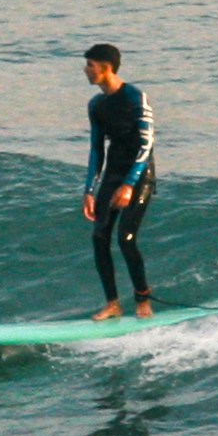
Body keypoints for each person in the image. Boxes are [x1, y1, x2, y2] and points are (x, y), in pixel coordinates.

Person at [79, 42, 157, 320]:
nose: (85, 70)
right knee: (99, 237)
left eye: (90, 64)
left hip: (139, 174)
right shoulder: (96, 105)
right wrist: (89, 190)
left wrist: (129, 185)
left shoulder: (136, 97)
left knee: (126, 238)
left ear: (105, 67)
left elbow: (146, 144)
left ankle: (143, 299)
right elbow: (97, 149)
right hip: (113, 172)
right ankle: (113, 303)